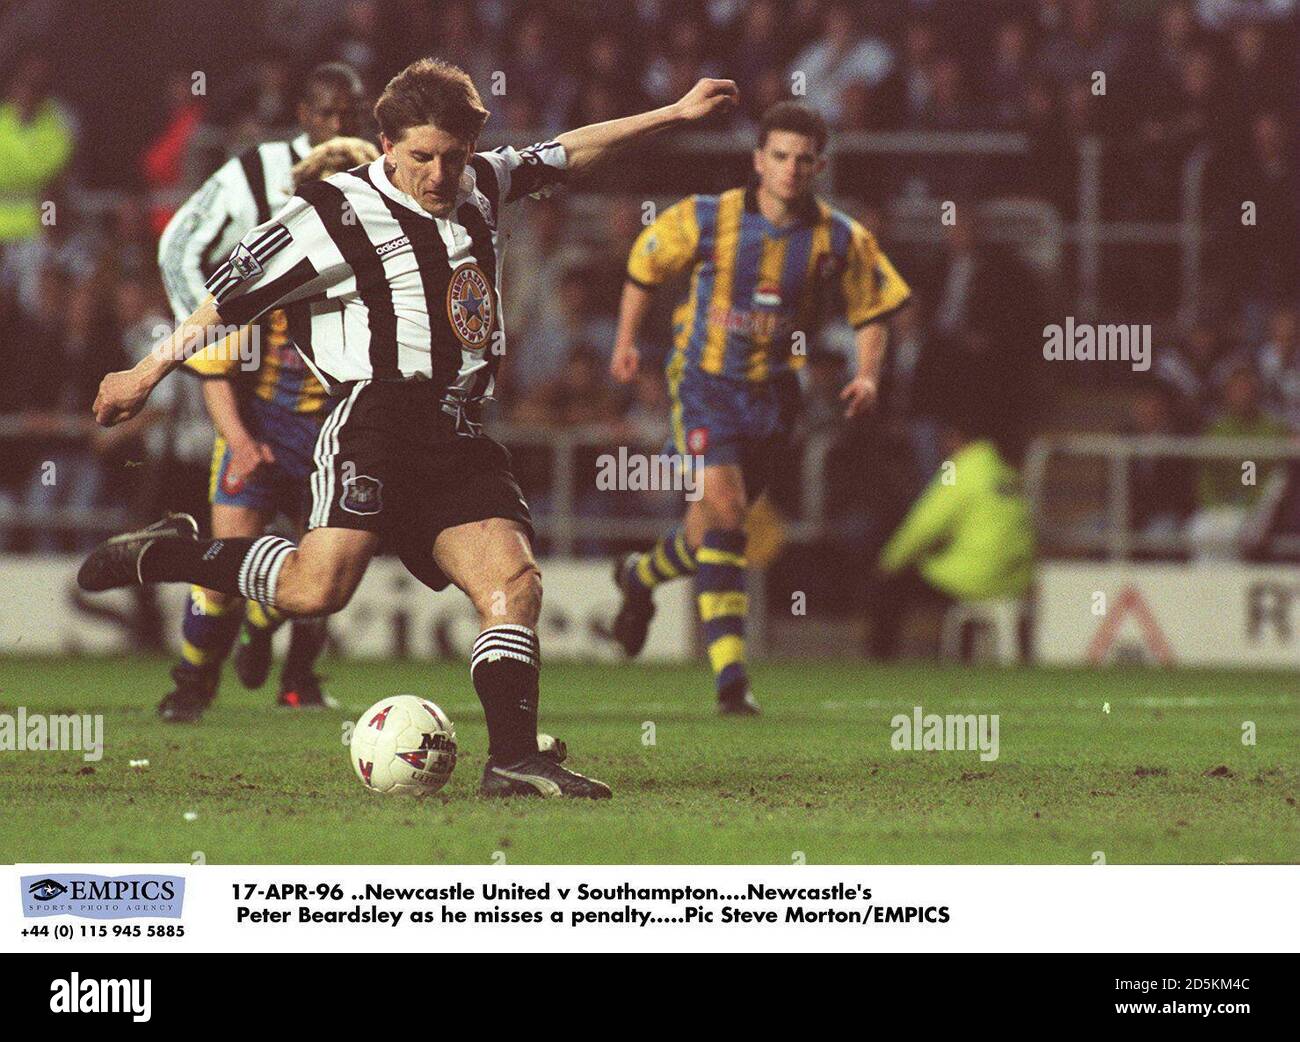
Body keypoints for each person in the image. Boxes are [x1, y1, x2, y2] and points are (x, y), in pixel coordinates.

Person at [79, 57, 740, 799]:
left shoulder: (483, 184)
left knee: (514, 585)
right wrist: (143, 374)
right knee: (314, 590)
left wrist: (674, 114)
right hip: (376, 421)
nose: (437, 174)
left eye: (452, 158)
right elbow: (227, 300)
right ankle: (176, 554)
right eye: (420, 157)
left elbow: (571, 149)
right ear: (386, 144)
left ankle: (513, 760)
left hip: (458, 430)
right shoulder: (331, 210)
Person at [605, 101, 910, 713]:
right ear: (758, 161)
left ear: (819, 165)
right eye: (780, 157)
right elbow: (644, 262)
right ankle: (731, 680)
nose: (792, 169)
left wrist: (869, 375)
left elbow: (874, 306)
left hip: (774, 400)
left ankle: (639, 576)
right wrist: (625, 342)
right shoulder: (708, 217)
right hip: (703, 385)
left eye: (803, 159)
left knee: (711, 531)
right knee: (727, 513)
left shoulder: (835, 236)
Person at [152, 63, 366, 722]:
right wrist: (241, 440)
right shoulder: (267, 264)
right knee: (225, 559)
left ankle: (289, 666)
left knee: (320, 572)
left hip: (335, 432)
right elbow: (218, 360)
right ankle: (192, 684)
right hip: (263, 425)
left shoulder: (372, 266)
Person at [868, 418, 1035, 660]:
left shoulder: (962, 469)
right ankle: (962, 656)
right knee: (943, 579)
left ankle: (880, 662)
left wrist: (887, 563)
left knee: (892, 584)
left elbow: (923, 526)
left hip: (974, 579)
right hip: (1013, 582)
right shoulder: (1003, 469)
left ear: (955, 438)